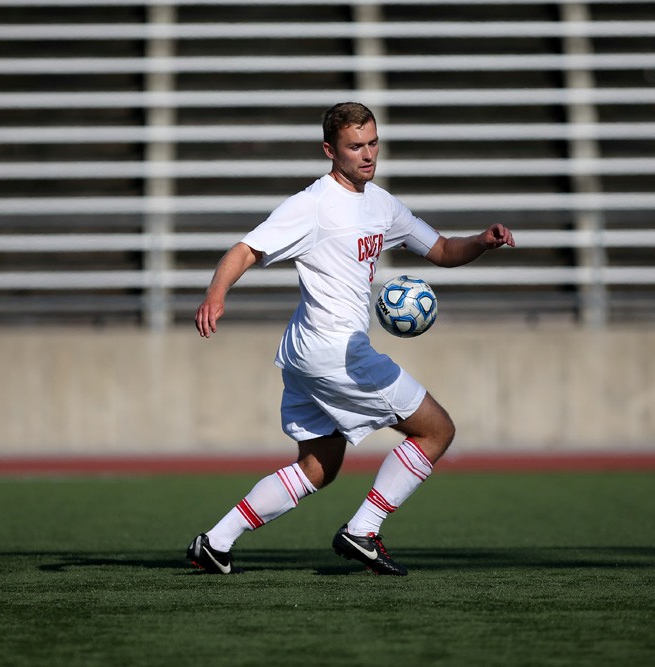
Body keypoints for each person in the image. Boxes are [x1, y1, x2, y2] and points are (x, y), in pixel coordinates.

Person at [186, 102, 515, 576]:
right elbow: (245, 249)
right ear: (329, 150)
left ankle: (214, 543)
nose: (367, 154)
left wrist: (482, 241)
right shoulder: (313, 205)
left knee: (319, 466)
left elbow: (441, 250)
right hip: (334, 352)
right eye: (354, 146)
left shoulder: (380, 204)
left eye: (372, 143)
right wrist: (216, 294)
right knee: (436, 430)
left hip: (303, 353)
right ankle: (363, 530)